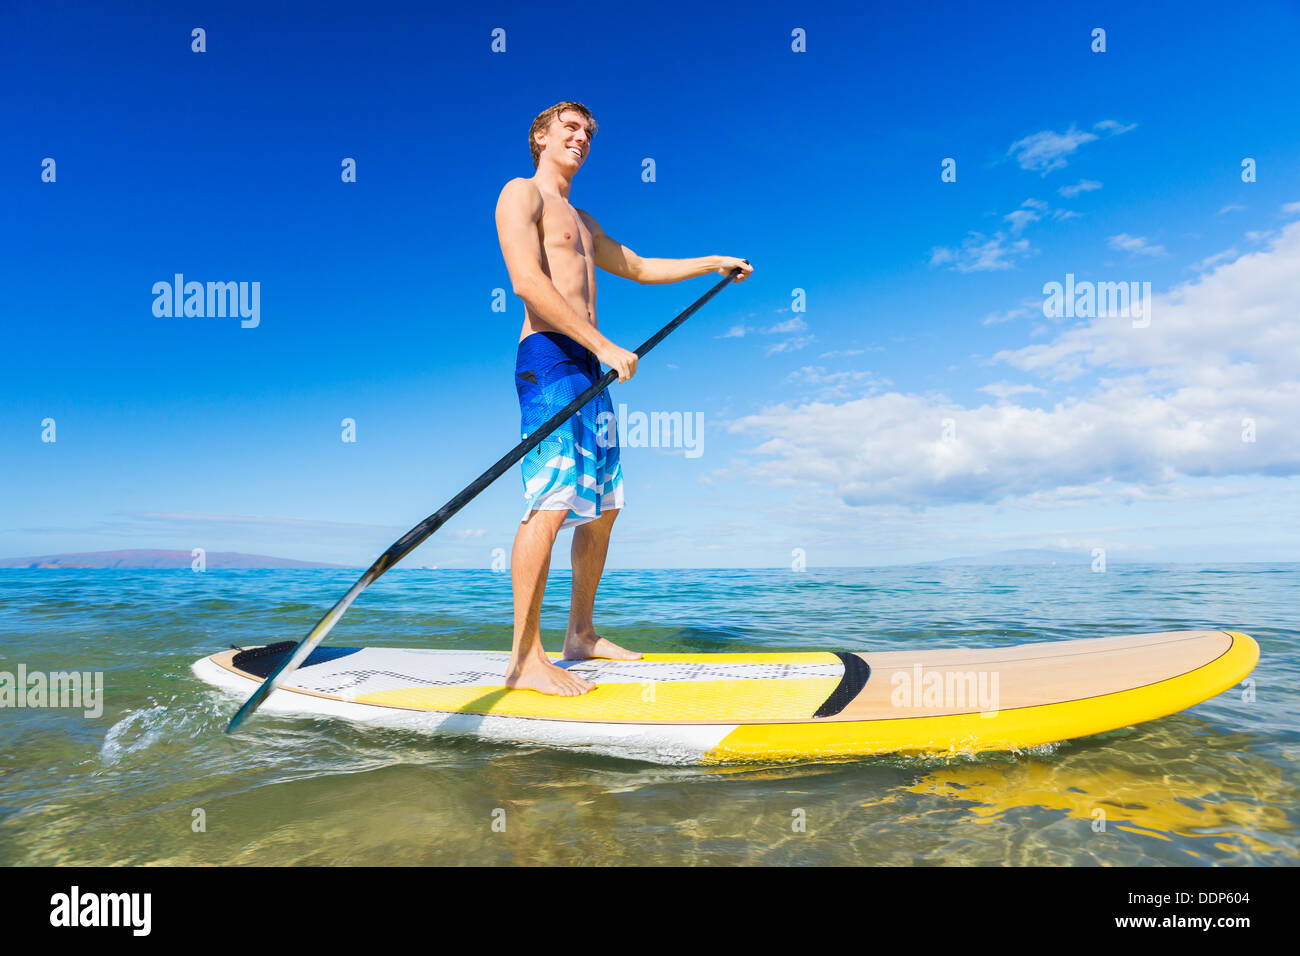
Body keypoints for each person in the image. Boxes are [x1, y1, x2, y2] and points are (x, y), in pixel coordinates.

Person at [494, 101, 752, 695]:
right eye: (569, 128)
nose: (581, 138)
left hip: (590, 365)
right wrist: (605, 345)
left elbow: (634, 265)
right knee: (552, 501)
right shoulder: (520, 195)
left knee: (606, 505)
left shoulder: (582, 219)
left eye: (588, 132)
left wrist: (711, 262)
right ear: (540, 137)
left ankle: (579, 634)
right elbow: (527, 282)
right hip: (551, 360)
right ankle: (523, 660)